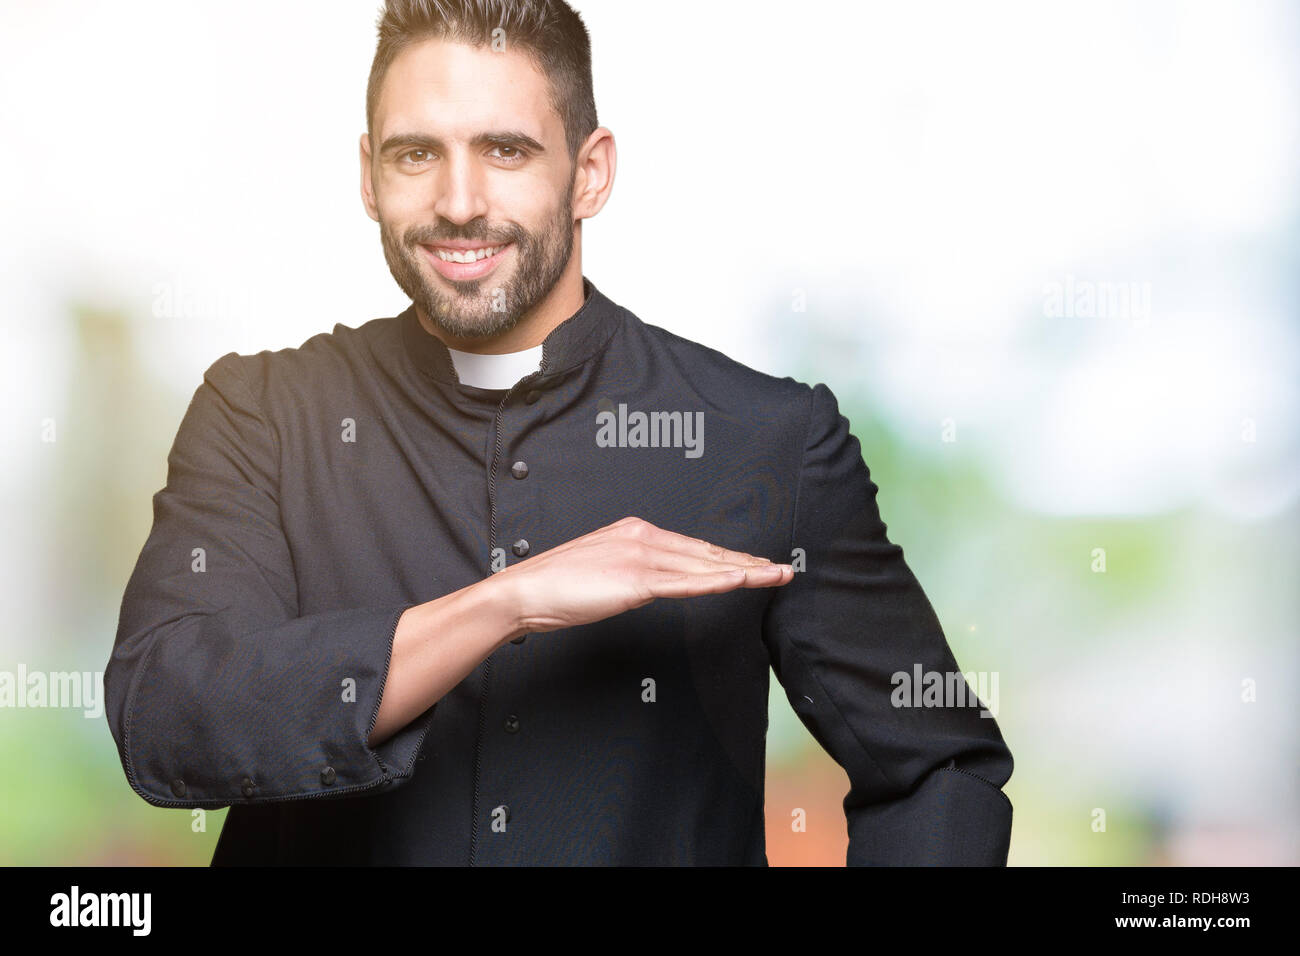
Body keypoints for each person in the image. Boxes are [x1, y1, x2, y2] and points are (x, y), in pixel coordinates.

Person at [104, 0, 1014, 865]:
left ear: (590, 172)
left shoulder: (767, 439)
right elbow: (168, 714)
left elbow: (936, 766)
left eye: (505, 149)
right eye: (417, 154)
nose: (459, 202)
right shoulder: (261, 414)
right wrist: (502, 604)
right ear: (369, 177)